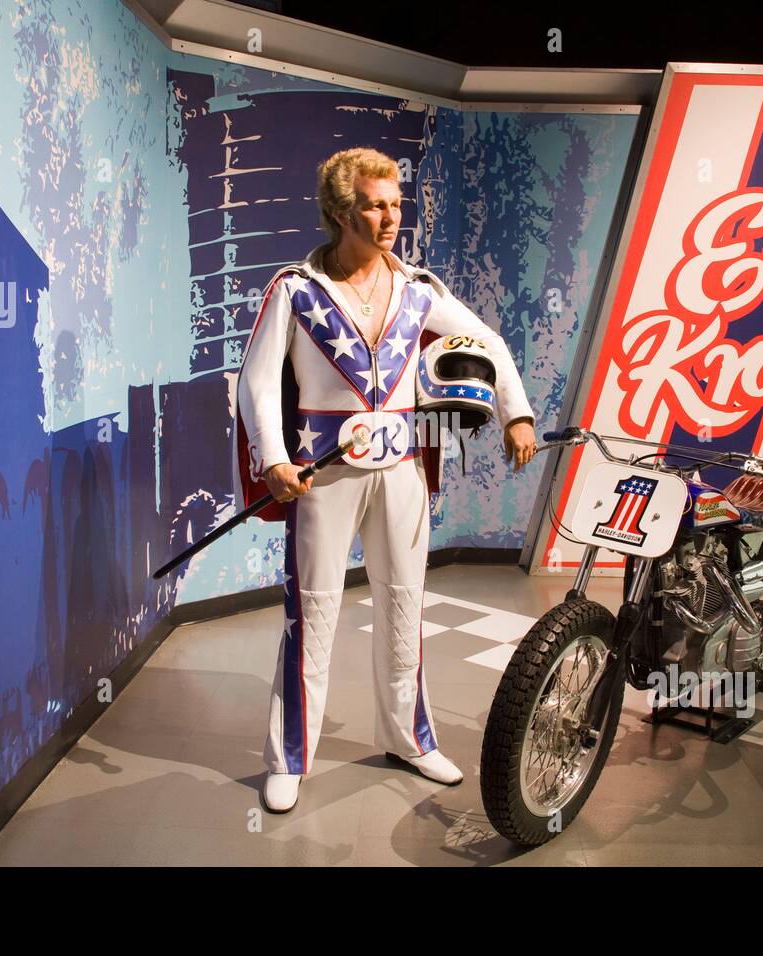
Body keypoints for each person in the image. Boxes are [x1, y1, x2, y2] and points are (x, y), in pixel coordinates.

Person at [235, 147, 537, 813]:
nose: (392, 217)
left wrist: (515, 413)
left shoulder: (417, 289)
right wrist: (274, 457)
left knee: (404, 604)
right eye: (376, 205)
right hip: (323, 472)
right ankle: (290, 756)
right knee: (313, 610)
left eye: (397, 204)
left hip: (401, 469)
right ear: (342, 212)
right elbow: (256, 380)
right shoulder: (296, 289)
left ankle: (408, 737)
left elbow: (486, 341)